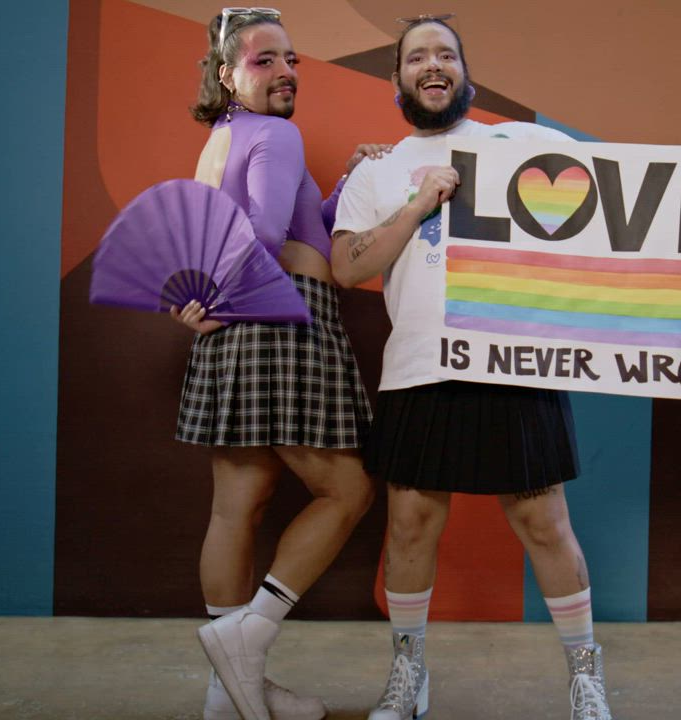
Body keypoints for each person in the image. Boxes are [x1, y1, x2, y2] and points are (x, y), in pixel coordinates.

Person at [331, 16, 681, 720]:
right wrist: (418, 202)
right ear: (397, 78)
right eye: (416, 56)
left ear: (463, 70)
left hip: (511, 356)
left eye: (445, 53)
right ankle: (408, 674)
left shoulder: (522, 144)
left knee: (542, 519)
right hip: (419, 364)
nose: (432, 66)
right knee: (412, 521)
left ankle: (585, 677)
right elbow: (346, 265)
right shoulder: (375, 170)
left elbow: (634, 197)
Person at [173, 8, 389, 720]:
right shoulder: (277, 132)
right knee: (349, 492)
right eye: (265, 61)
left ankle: (227, 696)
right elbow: (268, 234)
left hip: (233, 324)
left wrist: (341, 187)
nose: (286, 71)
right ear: (228, 74)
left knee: (236, 504)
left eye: (291, 59)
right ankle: (250, 637)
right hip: (283, 316)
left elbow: (292, 227)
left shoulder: (225, 138)